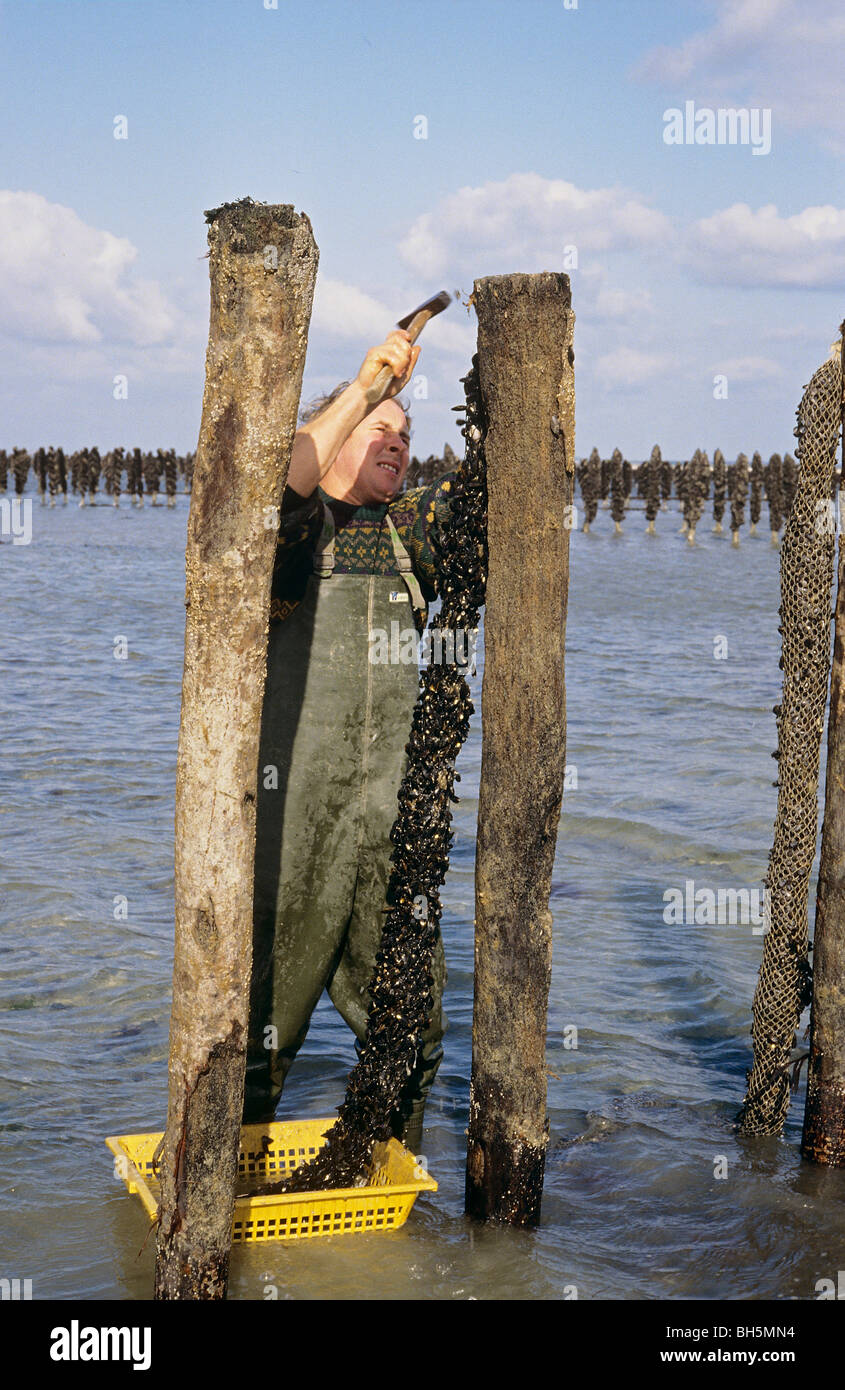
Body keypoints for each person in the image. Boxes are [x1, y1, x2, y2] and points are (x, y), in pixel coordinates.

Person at [243, 328, 456, 1154]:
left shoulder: (415, 535)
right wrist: (365, 388)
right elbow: (277, 484)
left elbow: (505, 496)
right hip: (294, 831)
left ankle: (385, 1211)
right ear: (336, 440)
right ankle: (226, 1214)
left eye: (407, 434)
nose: (398, 442)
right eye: (380, 430)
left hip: (393, 831)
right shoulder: (290, 542)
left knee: (411, 1031)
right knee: (260, 1035)